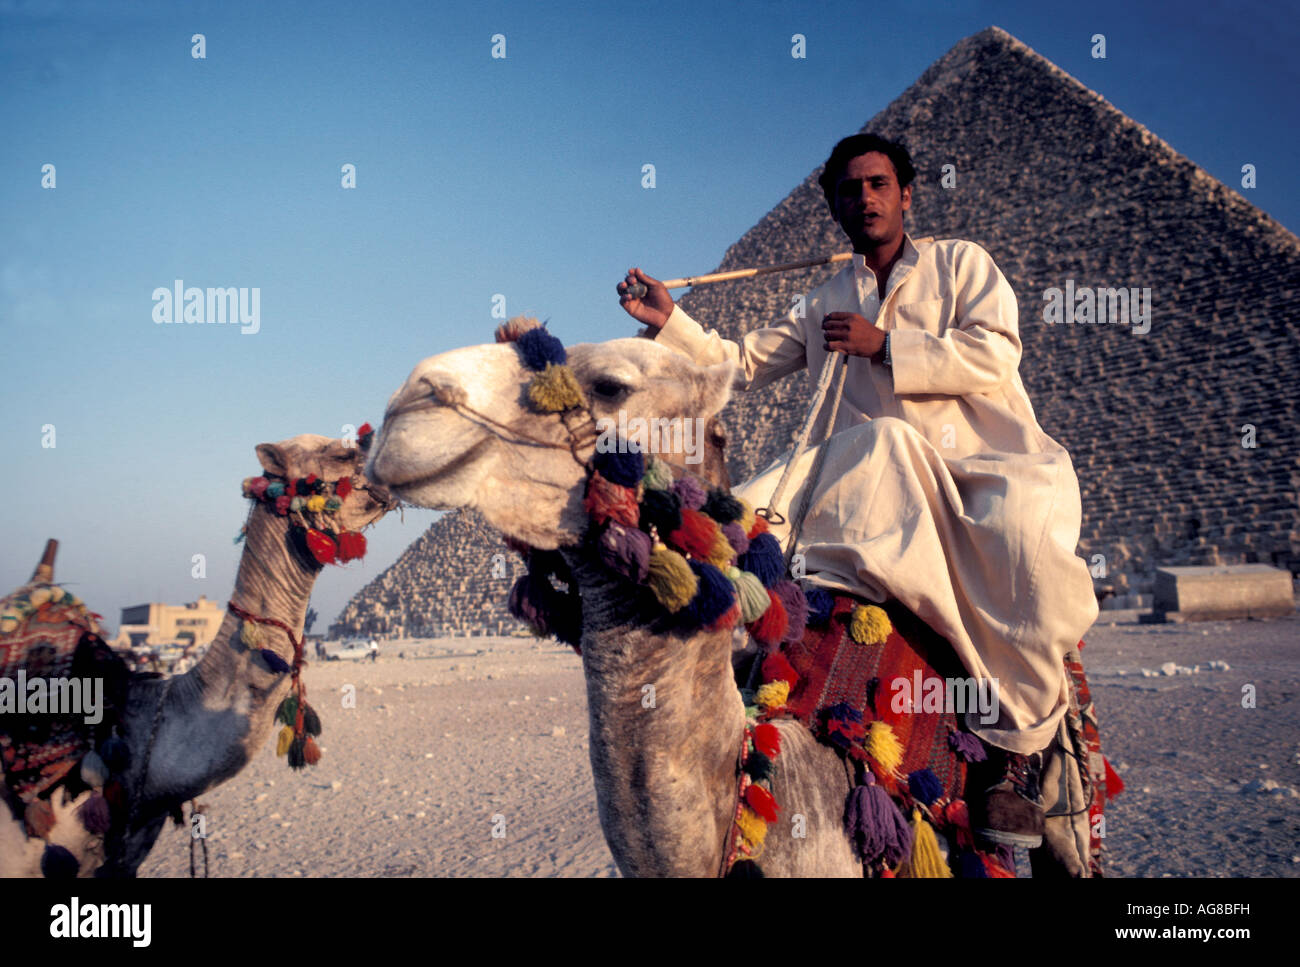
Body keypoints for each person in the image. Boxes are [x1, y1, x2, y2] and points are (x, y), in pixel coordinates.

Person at [616, 133, 1098, 848]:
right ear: (836, 206)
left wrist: (887, 346)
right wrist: (670, 322)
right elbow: (738, 364)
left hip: (974, 467)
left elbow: (997, 350)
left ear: (906, 194)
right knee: (727, 540)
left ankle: (1021, 758)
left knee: (1027, 548)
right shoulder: (825, 300)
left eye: (877, 184)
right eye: (849, 189)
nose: (864, 198)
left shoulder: (961, 265)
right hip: (867, 479)